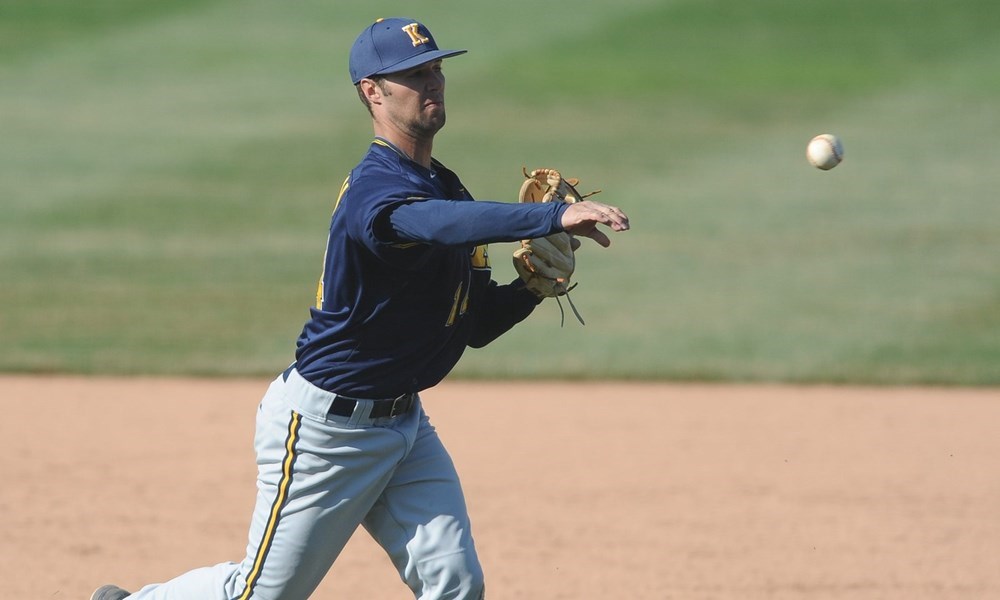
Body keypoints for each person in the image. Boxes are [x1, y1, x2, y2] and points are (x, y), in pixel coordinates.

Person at [91, 16, 628, 600]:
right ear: (373, 92)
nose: (433, 83)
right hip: (326, 430)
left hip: (405, 425)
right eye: (414, 74)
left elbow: (470, 327)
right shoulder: (378, 189)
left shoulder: (447, 186)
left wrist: (528, 291)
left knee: (456, 583)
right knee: (259, 595)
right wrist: (548, 217)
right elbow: (432, 224)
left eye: (436, 69)